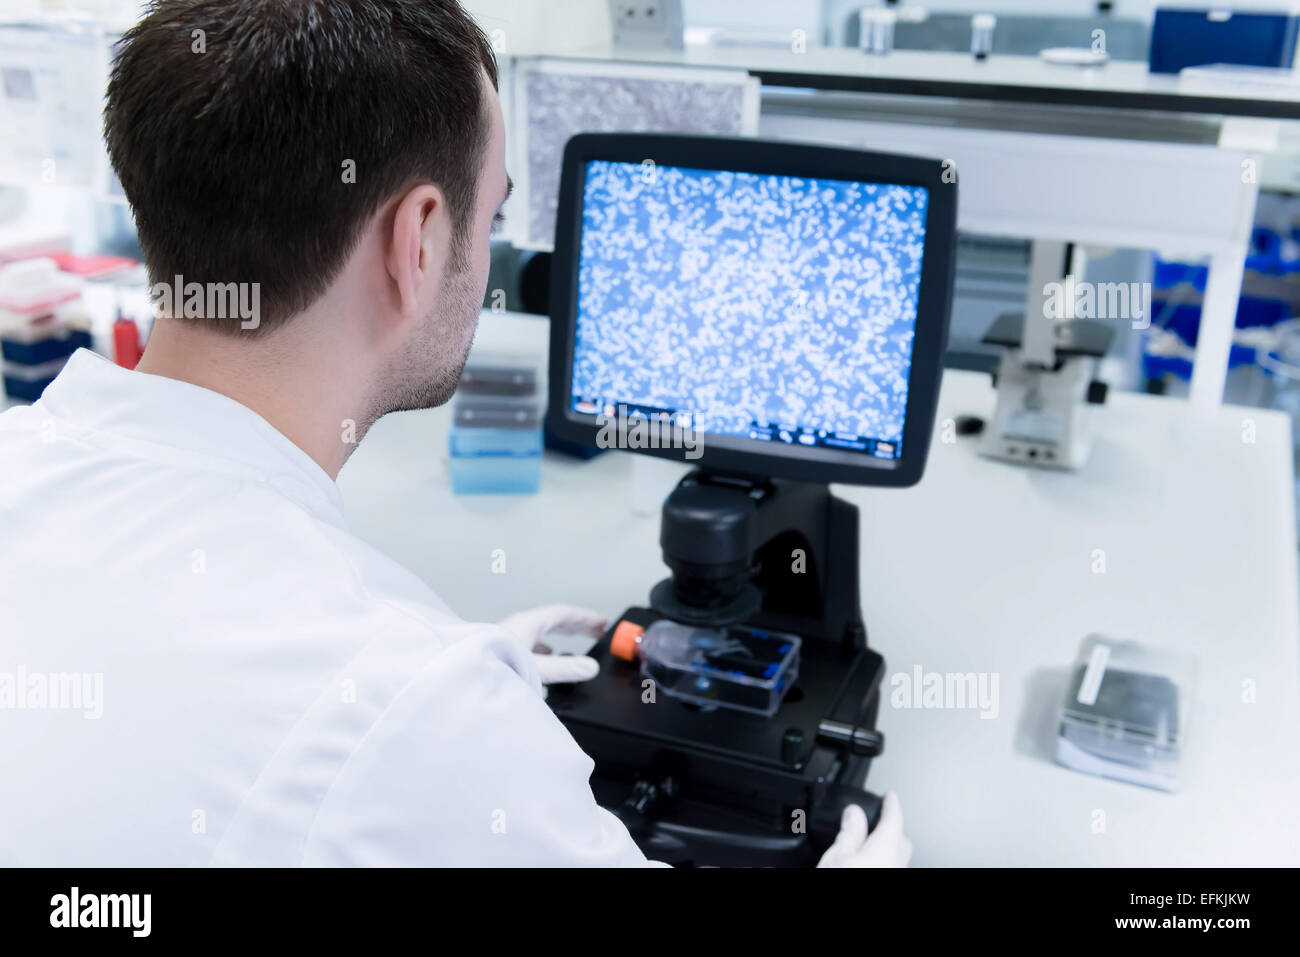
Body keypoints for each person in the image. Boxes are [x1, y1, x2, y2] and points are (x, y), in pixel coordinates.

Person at [0, 0, 910, 867]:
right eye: (494, 214)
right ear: (421, 240)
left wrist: (464, 685)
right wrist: (446, 703)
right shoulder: (416, 705)